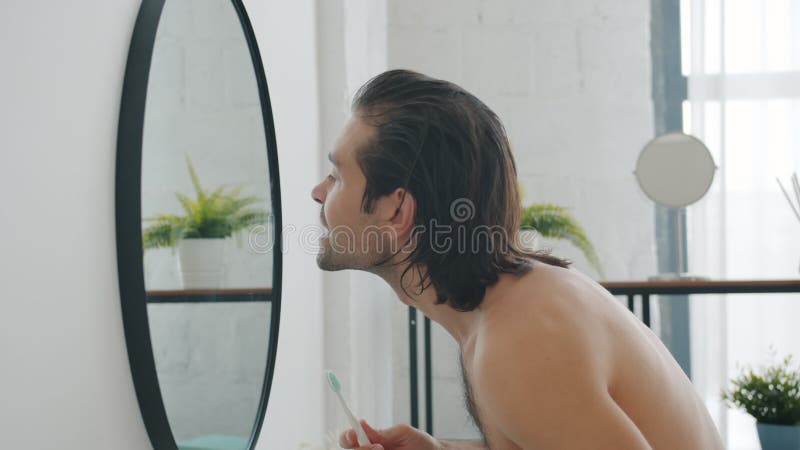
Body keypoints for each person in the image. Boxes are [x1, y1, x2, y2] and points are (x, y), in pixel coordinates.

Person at [310, 69, 724, 450]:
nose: (318, 191)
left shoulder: (518, 343)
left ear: (397, 212)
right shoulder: (520, 304)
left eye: (338, 176)